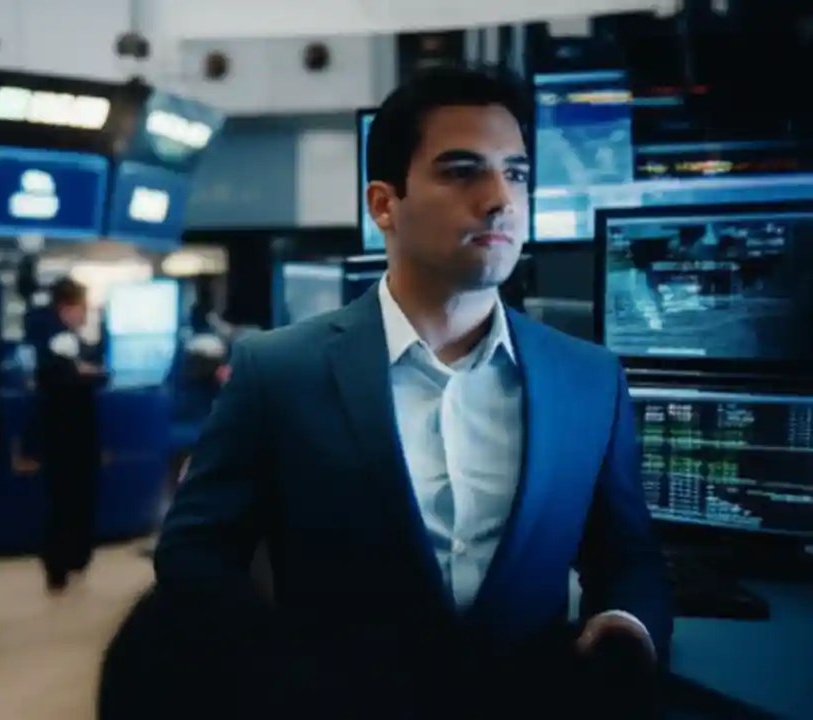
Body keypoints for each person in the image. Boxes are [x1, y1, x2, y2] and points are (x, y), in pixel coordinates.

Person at [154, 66, 671, 717]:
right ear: (383, 204)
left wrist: (627, 623)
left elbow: (628, 553)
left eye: (515, 173)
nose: (499, 200)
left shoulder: (589, 379)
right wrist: (269, 665)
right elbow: (195, 554)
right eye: (462, 171)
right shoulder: (278, 370)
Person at [34, 277, 107, 593]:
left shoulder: (74, 339)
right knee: (63, 498)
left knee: (78, 496)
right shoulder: (53, 339)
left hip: (77, 434)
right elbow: (68, 376)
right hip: (63, 435)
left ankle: (75, 556)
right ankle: (60, 562)